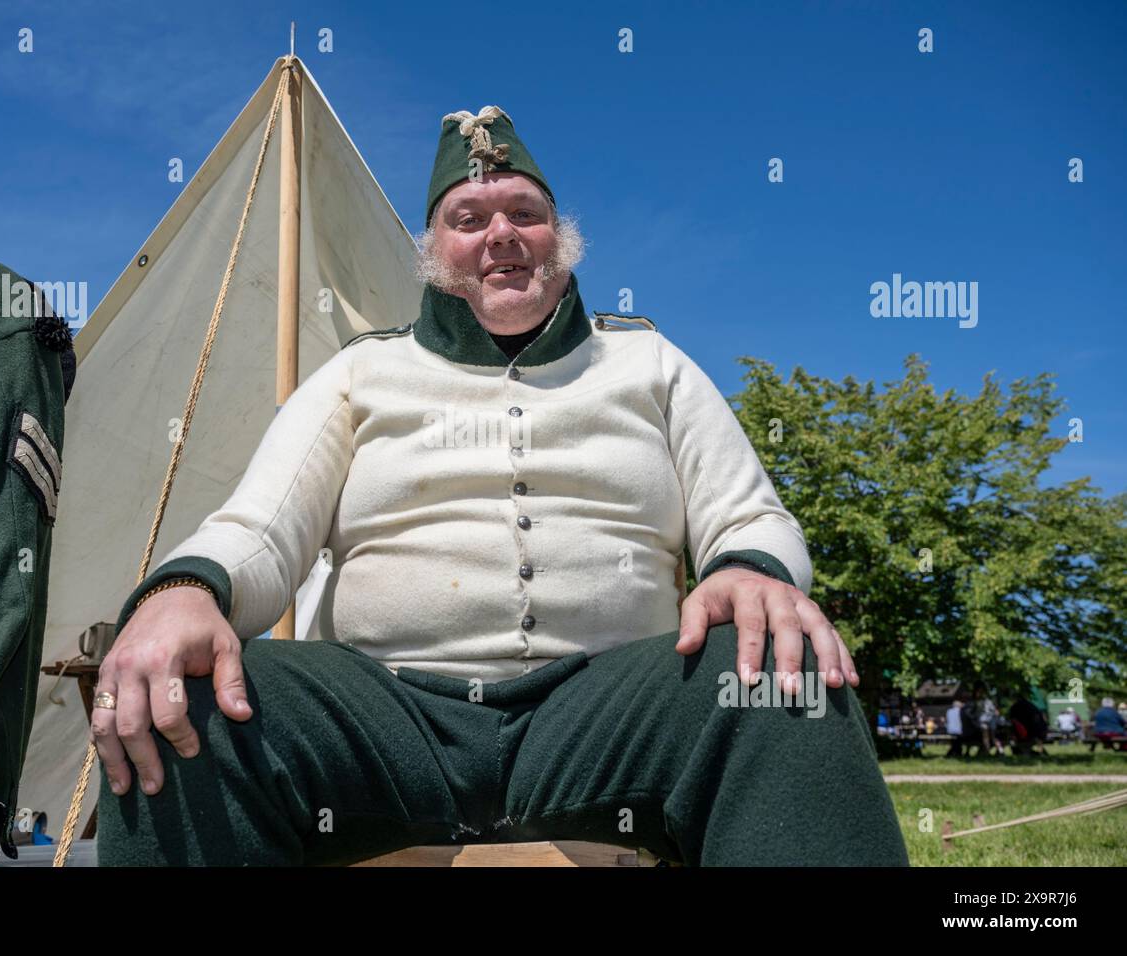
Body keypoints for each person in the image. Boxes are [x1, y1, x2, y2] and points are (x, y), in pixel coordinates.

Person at [91, 104, 909, 866]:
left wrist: (748, 573)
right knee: (181, 687)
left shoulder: (650, 364)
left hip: (608, 717)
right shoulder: (361, 371)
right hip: (386, 718)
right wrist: (186, 591)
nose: (501, 236)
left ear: (563, 236)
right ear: (431, 249)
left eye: (525, 213)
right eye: (469, 220)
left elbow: (750, 517)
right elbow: (259, 531)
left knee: (779, 669)